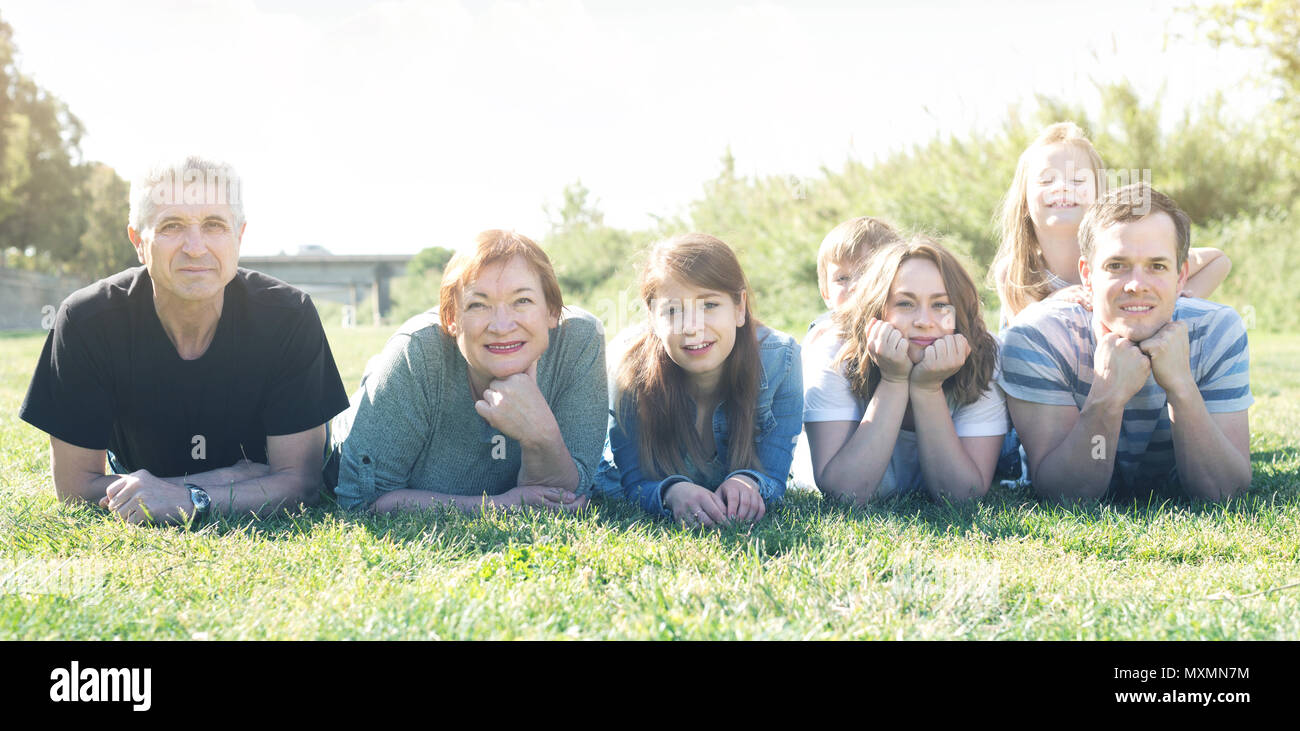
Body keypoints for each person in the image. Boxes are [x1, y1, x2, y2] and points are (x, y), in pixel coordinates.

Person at [19, 156, 349, 525]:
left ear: (238, 237)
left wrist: (187, 499)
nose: (195, 247)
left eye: (214, 225)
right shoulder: (86, 320)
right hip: (156, 473)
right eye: (172, 226)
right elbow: (76, 488)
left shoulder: (289, 313)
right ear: (138, 241)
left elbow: (302, 483)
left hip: (141, 480)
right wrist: (221, 482)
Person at [998, 183, 1252, 502]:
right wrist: (1108, 394)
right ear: (1087, 275)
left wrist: (1182, 388)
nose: (1136, 284)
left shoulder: (1218, 330)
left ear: (1181, 276)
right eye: (1116, 266)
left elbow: (1224, 490)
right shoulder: (1036, 339)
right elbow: (1067, 493)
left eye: (1156, 266)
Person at [330, 229, 607, 514]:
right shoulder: (417, 351)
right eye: (478, 305)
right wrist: (499, 506)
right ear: (452, 319)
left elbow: (568, 495)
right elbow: (360, 500)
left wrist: (541, 433)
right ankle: (377, 373)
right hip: (359, 424)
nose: (501, 326)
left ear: (551, 310)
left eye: (522, 301)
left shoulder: (580, 340)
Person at [595, 233, 802, 527]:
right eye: (673, 310)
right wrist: (671, 492)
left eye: (709, 305)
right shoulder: (628, 366)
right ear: (653, 318)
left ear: (739, 307)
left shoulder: (782, 359)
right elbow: (634, 481)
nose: (692, 327)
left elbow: (774, 473)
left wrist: (748, 483)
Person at [803, 237, 1006, 503]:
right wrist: (894, 380)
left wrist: (927, 389)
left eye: (940, 304)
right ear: (877, 309)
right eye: (905, 304)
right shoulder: (834, 351)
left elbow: (961, 496)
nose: (924, 321)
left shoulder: (982, 354)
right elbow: (845, 492)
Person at [990, 122, 1230, 326]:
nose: (1062, 187)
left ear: (1099, 197)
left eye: (1077, 179)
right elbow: (1025, 339)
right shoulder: (1014, 273)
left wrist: (1172, 306)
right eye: (1046, 180)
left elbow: (1219, 261)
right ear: (1023, 201)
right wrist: (1052, 303)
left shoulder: (1127, 260)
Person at [790, 216, 900, 491]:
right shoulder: (828, 345)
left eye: (868, 274)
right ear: (825, 292)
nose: (855, 286)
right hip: (828, 456)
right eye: (842, 278)